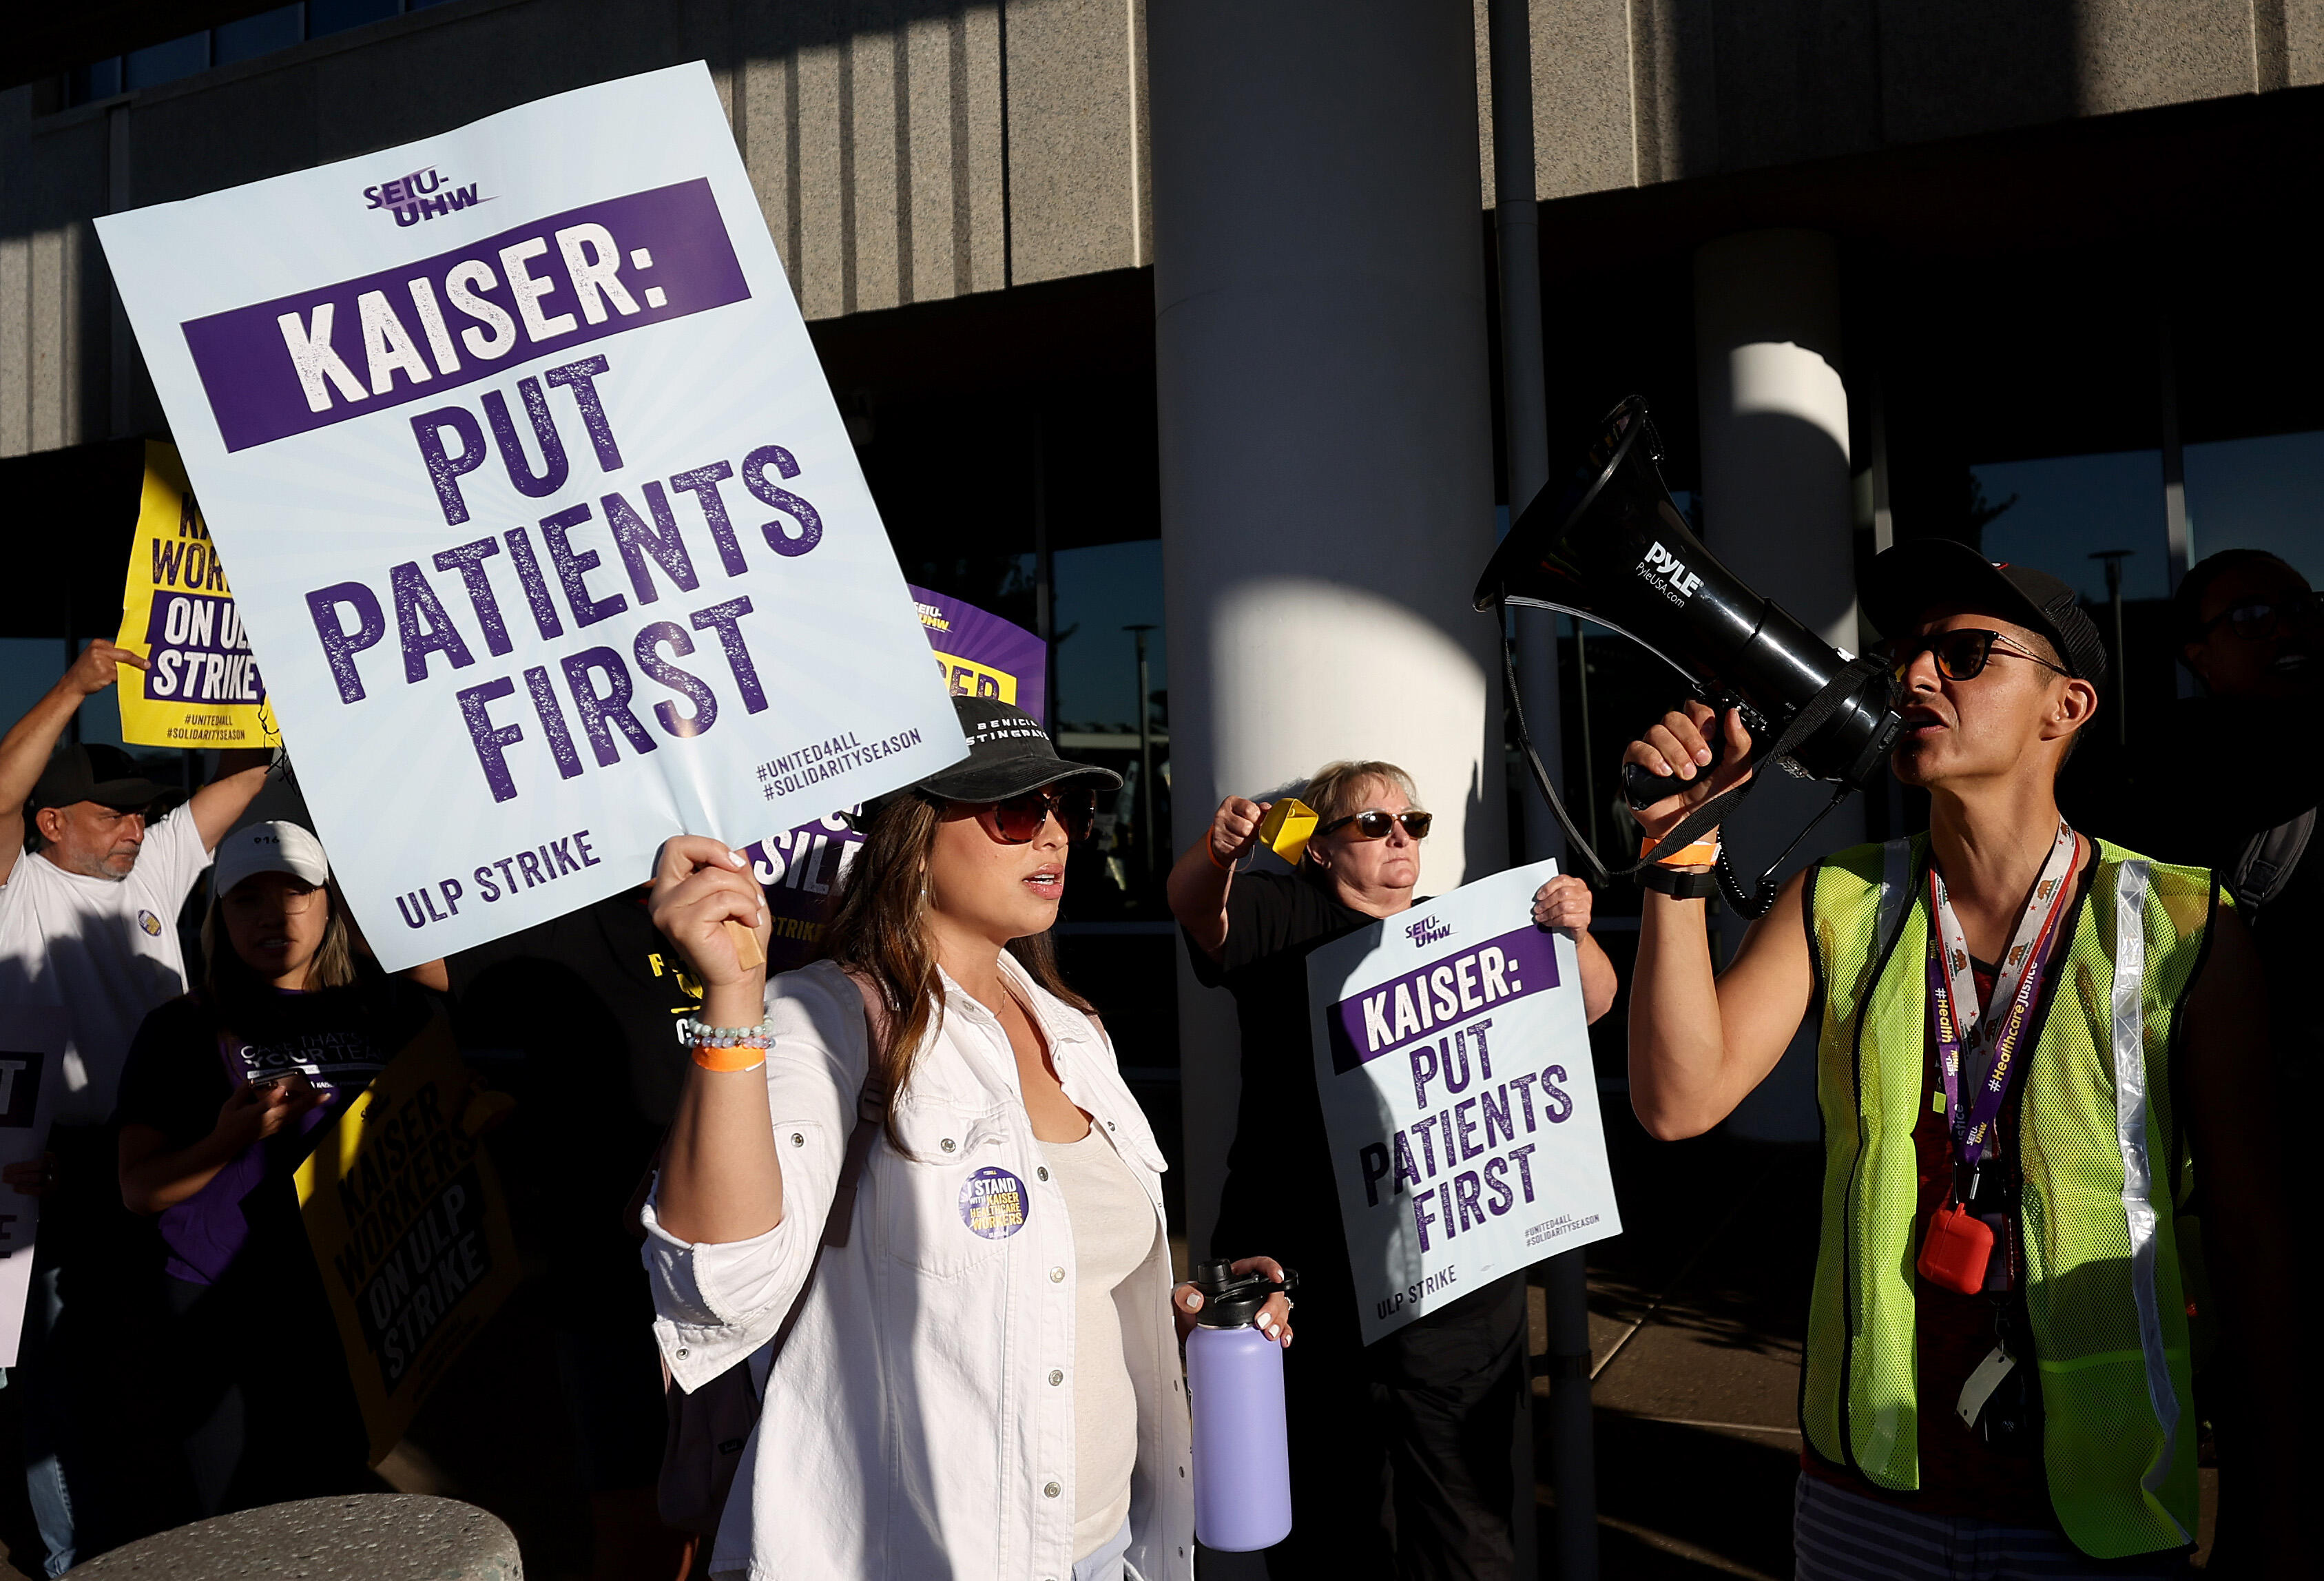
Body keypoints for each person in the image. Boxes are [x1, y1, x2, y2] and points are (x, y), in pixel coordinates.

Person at [1621, 539, 2297, 1576]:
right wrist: (1679, 859)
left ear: (2063, 707)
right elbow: (1676, 1102)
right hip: (1862, 1497)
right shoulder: (1834, 900)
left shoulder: (2185, 922)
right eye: (1903, 654)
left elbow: (2256, 1243)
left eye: (1964, 652)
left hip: (2099, 1512)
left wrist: (2270, 1514)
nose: (1914, 676)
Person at [641, 698, 1293, 1581]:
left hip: (1114, 1546)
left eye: (1070, 809)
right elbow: (717, 1287)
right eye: (1017, 811)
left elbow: (1052, 1281)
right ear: (911, 836)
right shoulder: (824, 1018)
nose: (1054, 836)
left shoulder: (1072, 1028)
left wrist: (1187, 1320)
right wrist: (731, 997)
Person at [1166, 761, 1617, 1580]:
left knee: (1466, 1516)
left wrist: (1573, 933)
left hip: (1454, 1280)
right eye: (1373, 825)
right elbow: (1198, 908)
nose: (1399, 837)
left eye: (1413, 822)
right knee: (1328, 1512)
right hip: (1303, 1270)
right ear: (1320, 849)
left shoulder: (1474, 925)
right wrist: (1219, 851)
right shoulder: (1279, 911)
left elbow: (1588, 1004)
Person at [0, 638, 269, 1575]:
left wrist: (237, 686)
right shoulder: (15, 886)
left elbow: (252, 768)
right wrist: (76, 686)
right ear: (48, 821)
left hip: (184, 1145)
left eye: (140, 810)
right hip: (65, 1169)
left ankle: (175, 1539)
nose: (132, 824)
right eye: (110, 810)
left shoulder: (153, 868)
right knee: (62, 1386)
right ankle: (78, 1560)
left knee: (177, 1362)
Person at [113, 820, 433, 1517]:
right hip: (224, 1302)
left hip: (352, 1299)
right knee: (242, 1522)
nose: (273, 915)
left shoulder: (384, 1010)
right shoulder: (181, 1029)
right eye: (246, 898)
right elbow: (141, 1190)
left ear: (329, 904)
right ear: (219, 915)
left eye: (294, 892)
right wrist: (228, 1141)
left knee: (338, 1507)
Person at [408, 889, 703, 1581]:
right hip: (613, 1285)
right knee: (643, 1533)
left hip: (745, 1280)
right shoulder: (562, 913)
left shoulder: (763, 902)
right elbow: (413, 953)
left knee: (735, 1516)